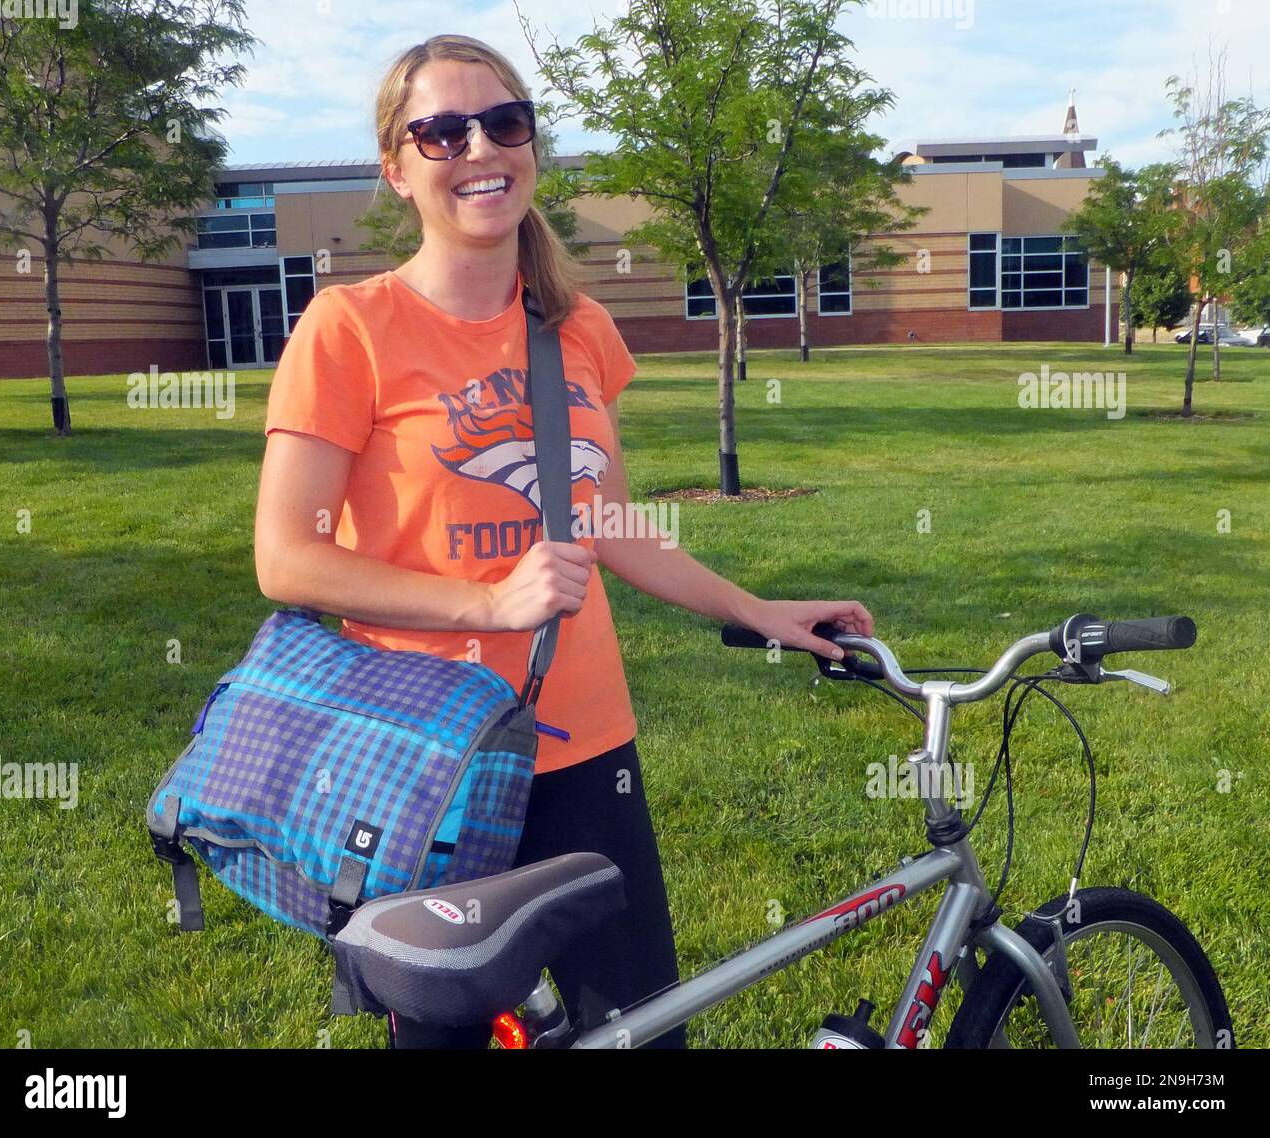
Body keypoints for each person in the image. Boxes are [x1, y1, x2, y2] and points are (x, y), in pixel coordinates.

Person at [253, 33, 874, 1050]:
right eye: (442, 131)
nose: (478, 148)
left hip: (586, 745)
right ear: (397, 168)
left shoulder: (576, 327)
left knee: (635, 1028)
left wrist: (760, 611)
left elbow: (609, 521)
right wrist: (487, 603)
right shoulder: (347, 328)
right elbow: (289, 559)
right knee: (448, 1035)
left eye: (503, 122)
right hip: (435, 759)